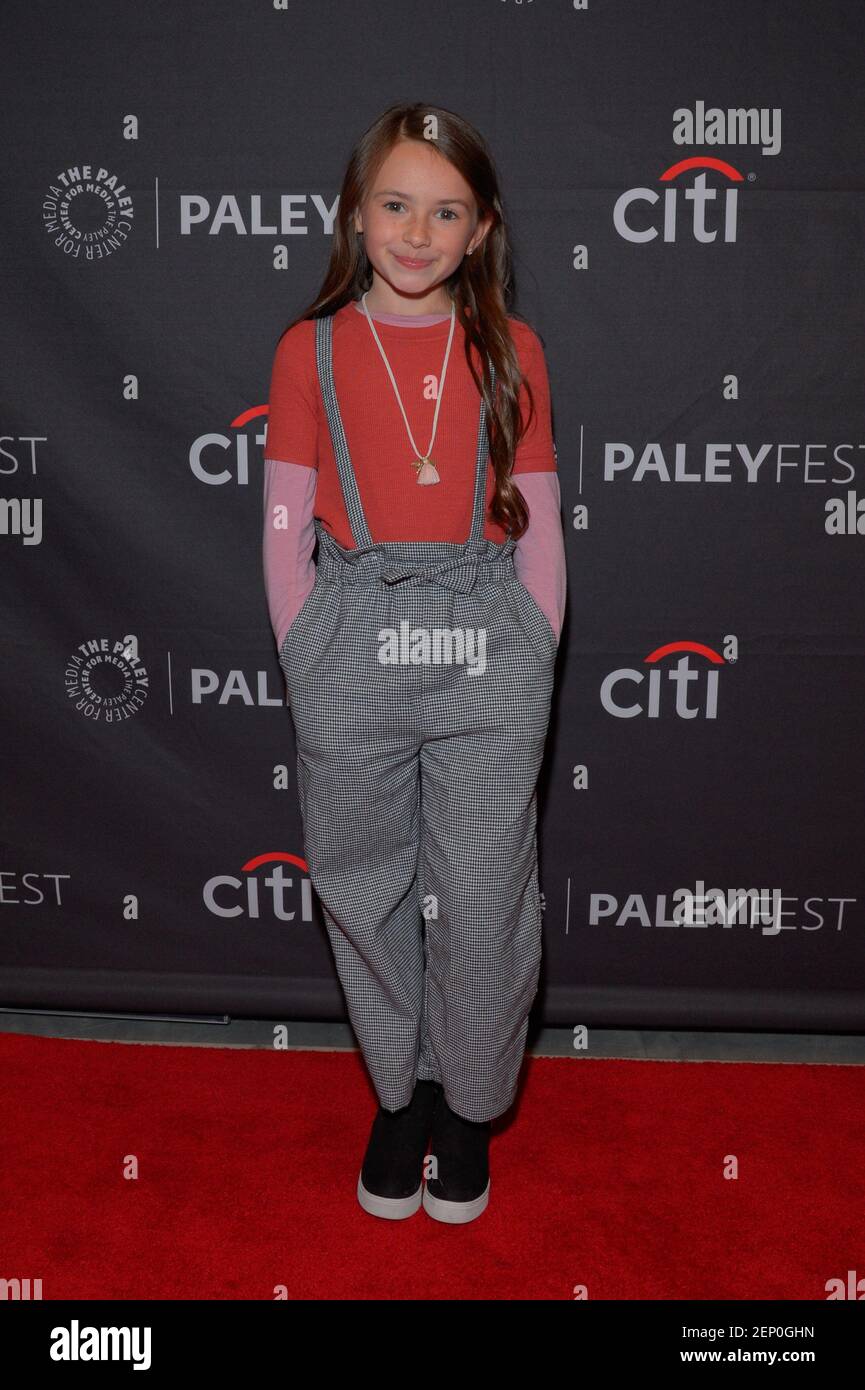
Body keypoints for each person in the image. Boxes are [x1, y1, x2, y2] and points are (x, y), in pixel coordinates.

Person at [262, 102, 566, 1226]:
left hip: (488, 636)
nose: (416, 231)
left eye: (446, 212)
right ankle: (400, 1092)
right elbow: (282, 523)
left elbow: (539, 522)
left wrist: (532, 649)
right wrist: (305, 646)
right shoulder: (314, 347)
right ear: (357, 211)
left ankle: (464, 1102)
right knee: (364, 883)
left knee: (483, 896)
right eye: (395, 204)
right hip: (350, 628)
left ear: (481, 230)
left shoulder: (513, 349)